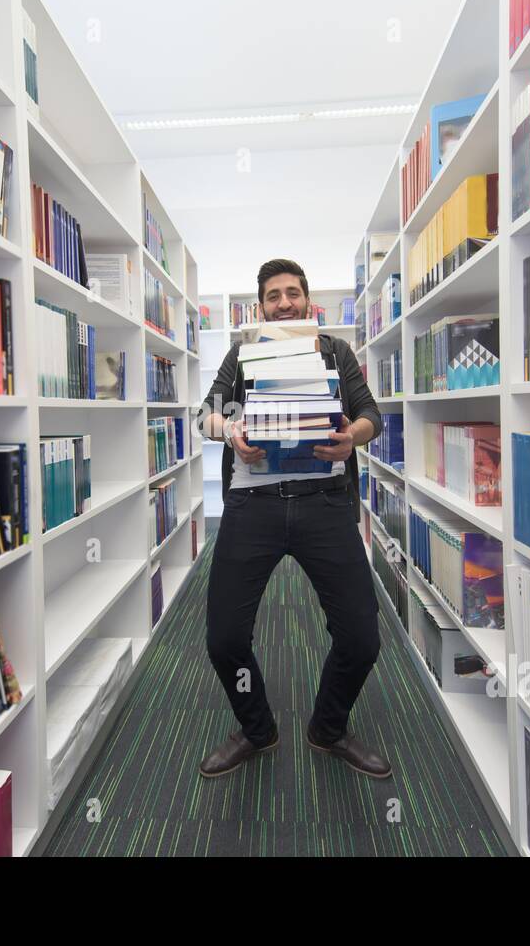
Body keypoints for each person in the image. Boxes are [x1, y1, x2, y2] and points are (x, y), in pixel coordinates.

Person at [196, 258, 391, 779]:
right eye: (274, 296)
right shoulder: (242, 355)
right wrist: (230, 429)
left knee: (361, 637)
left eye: (293, 293)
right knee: (224, 639)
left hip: (324, 504)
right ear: (260, 307)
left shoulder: (336, 351)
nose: (284, 302)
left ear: (309, 302)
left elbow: (372, 414)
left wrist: (353, 438)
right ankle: (257, 728)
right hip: (252, 505)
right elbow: (205, 415)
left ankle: (328, 727)